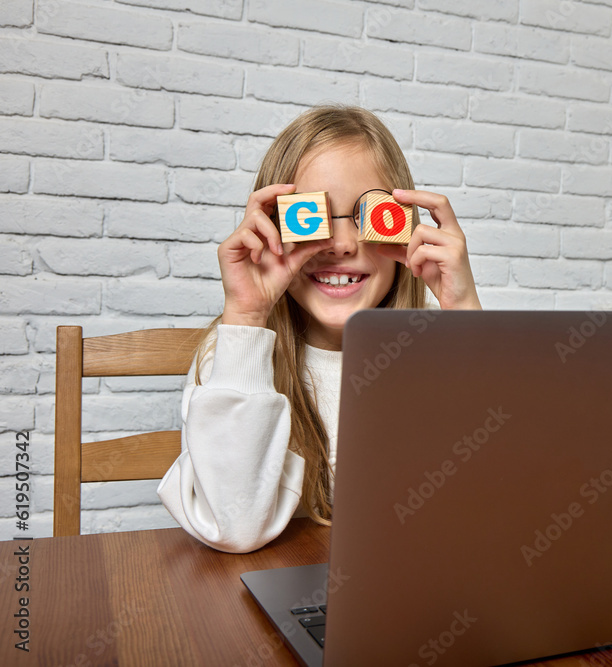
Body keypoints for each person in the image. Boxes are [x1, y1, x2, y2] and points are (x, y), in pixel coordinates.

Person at [157, 106, 481, 553]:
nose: (342, 244)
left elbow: (496, 507)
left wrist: (463, 312)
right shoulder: (233, 353)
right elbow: (235, 527)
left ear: (403, 224)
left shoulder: (440, 350)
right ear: (270, 229)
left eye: (369, 215)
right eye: (311, 217)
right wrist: (247, 317)